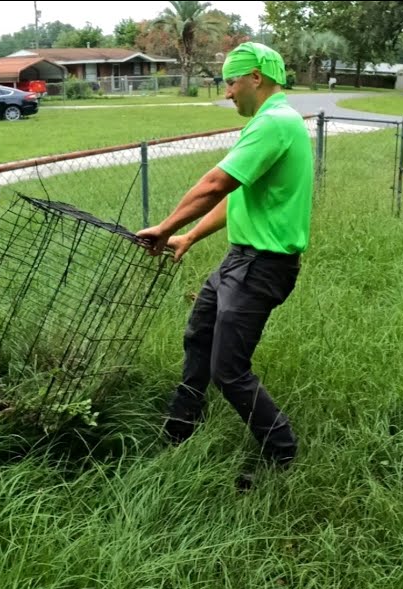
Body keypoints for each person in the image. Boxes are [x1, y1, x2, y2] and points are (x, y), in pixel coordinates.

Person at [136, 42, 313, 484]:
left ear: (256, 77)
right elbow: (236, 196)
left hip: (262, 266)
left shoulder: (274, 122)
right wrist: (189, 236)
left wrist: (165, 226)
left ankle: (282, 454)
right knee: (198, 335)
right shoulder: (272, 121)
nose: (227, 92)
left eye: (231, 82)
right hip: (241, 261)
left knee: (229, 371)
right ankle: (181, 425)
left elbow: (216, 183)